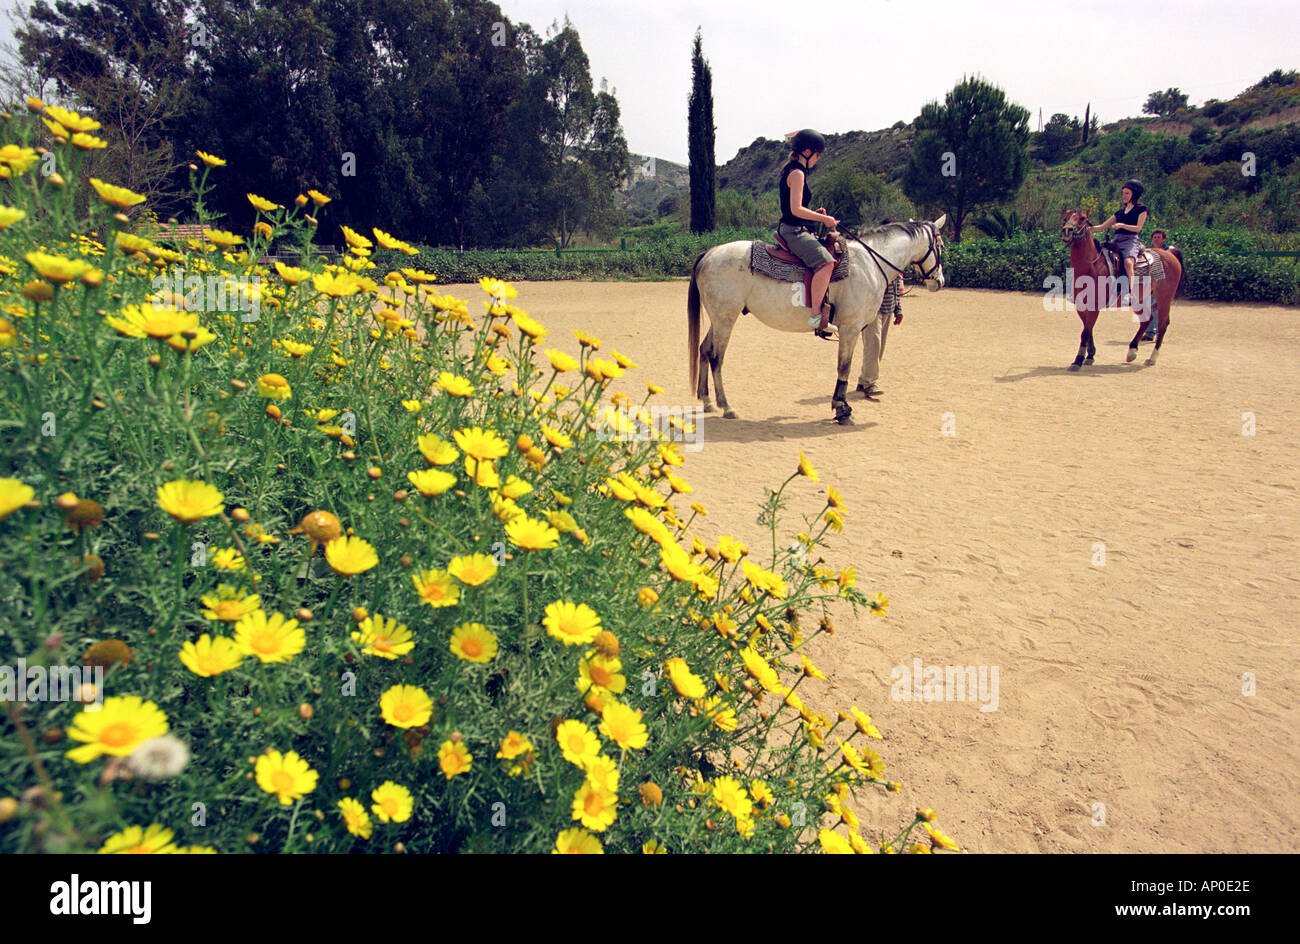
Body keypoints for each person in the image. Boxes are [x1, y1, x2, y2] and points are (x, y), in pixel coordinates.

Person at [776, 129, 839, 340]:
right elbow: (795, 210)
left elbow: (799, 208)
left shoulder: (794, 170)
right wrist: (824, 220)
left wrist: (815, 215)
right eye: (817, 154)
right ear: (807, 151)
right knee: (826, 263)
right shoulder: (797, 173)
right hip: (792, 231)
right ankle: (816, 317)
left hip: (797, 227)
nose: (818, 159)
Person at [858, 220, 904, 398]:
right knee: (874, 343)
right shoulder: (874, 257)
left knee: (878, 346)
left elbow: (896, 284)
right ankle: (870, 382)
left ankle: (864, 380)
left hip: (888, 306)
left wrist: (898, 309)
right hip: (872, 307)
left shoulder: (894, 259)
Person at [1089, 179, 1149, 317]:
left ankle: (1131, 293)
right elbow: (1102, 226)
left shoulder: (1142, 209)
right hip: (1117, 240)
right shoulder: (1120, 212)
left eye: (1127, 193)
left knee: (1128, 262)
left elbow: (1138, 228)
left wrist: (1121, 225)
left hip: (1130, 240)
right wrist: (1088, 228)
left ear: (1135, 194)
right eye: (1123, 193)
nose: (1124, 195)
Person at [1142, 229, 1171, 341]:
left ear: (1164, 239)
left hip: (1163, 284)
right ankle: (1154, 331)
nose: (1156, 239)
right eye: (1154, 237)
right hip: (1152, 283)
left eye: (1158, 237)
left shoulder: (1168, 251)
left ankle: (1152, 333)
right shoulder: (1150, 252)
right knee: (1151, 306)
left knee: (1154, 306)